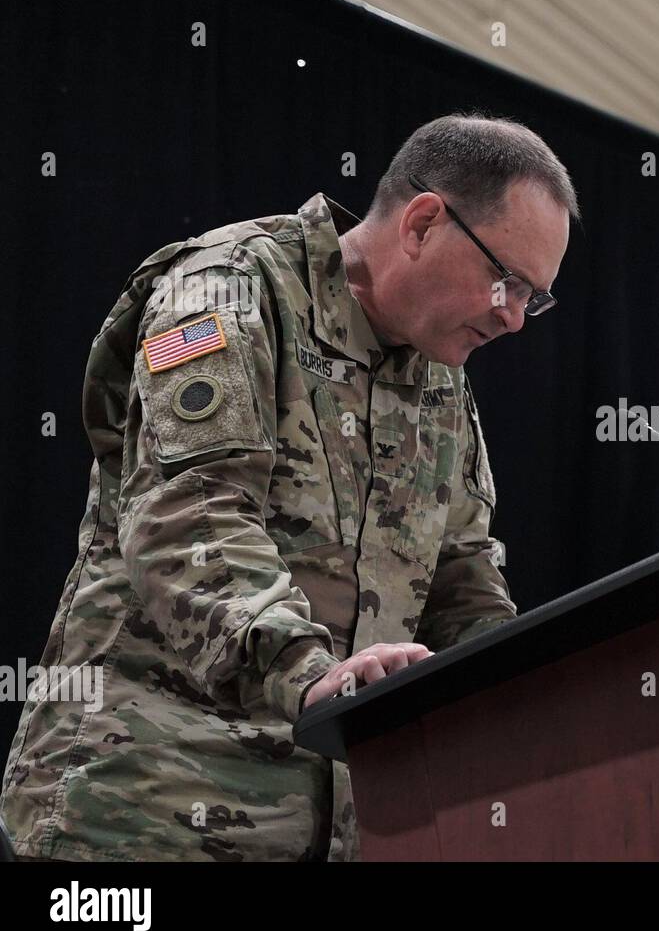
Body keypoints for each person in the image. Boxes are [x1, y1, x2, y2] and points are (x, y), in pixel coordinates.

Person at [0, 113, 578, 861]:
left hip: (323, 833)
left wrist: (524, 693)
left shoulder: (440, 376)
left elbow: (459, 576)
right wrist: (309, 679)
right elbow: (189, 520)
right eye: (507, 281)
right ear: (424, 223)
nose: (515, 317)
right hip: (141, 811)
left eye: (535, 296)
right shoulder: (228, 292)